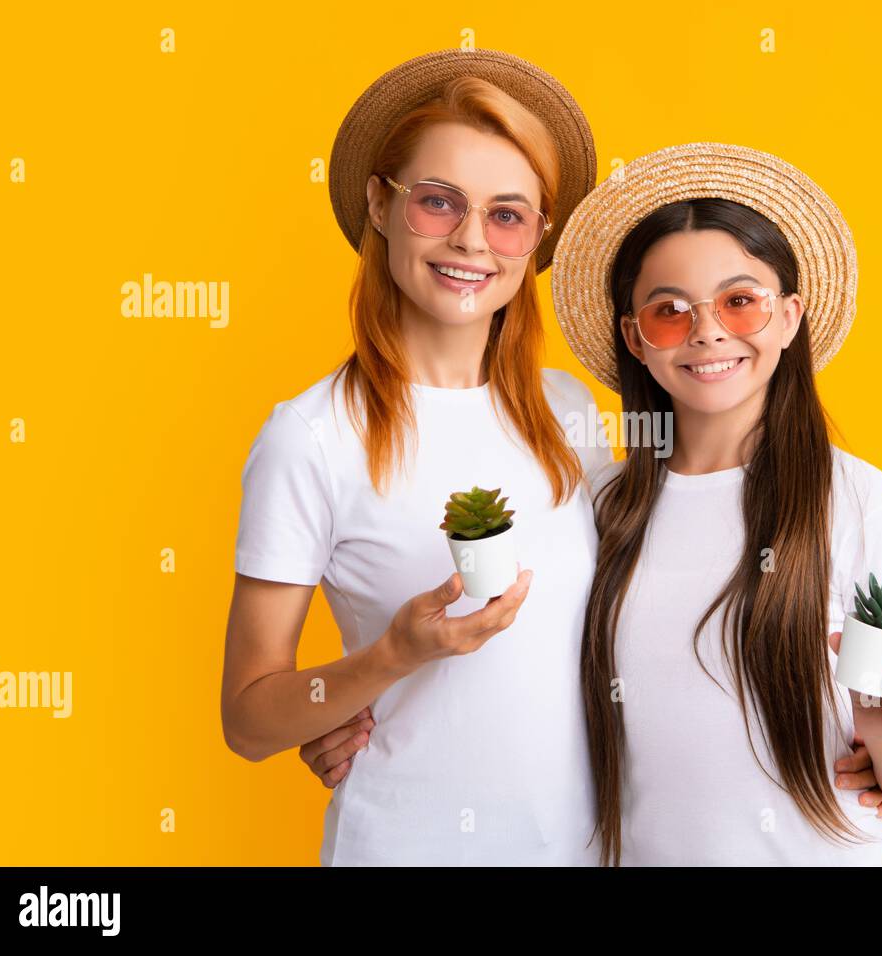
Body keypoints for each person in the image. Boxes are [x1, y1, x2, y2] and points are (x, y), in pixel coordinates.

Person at [220, 49, 611, 865]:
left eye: (508, 214)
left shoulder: (568, 412)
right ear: (381, 205)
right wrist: (388, 661)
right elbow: (250, 720)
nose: (472, 240)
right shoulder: (312, 436)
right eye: (439, 202)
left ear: (538, 236)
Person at [550, 142, 882, 865]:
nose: (707, 331)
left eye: (740, 301)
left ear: (790, 316)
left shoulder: (859, 501)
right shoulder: (596, 507)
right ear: (634, 338)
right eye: (669, 311)